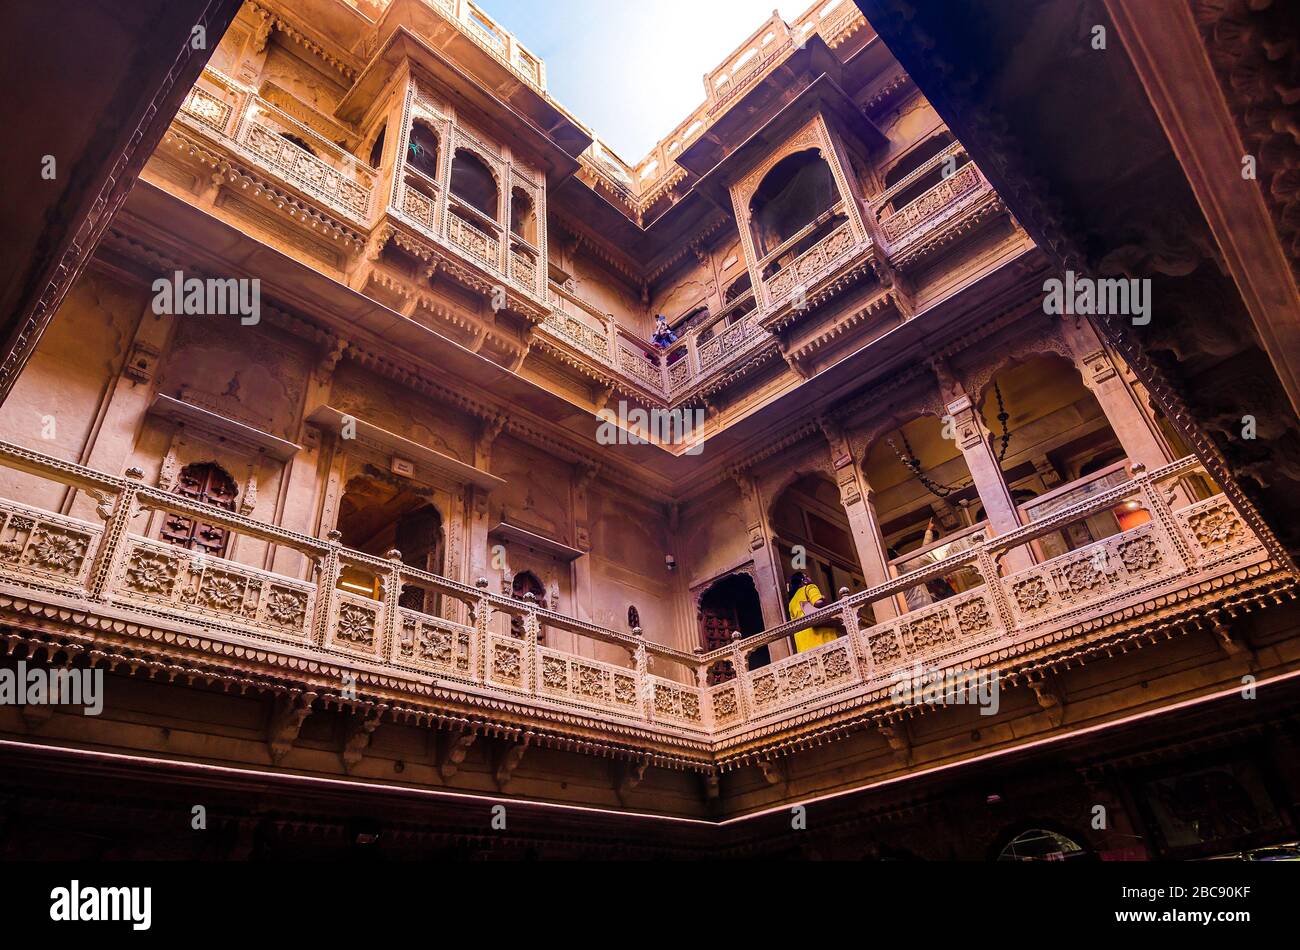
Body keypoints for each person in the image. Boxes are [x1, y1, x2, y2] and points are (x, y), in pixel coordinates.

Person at [786, 571, 839, 653]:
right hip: (820, 638)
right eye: (807, 576)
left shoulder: (791, 602)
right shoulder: (809, 587)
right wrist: (831, 605)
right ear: (804, 580)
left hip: (803, 644)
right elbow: (818, 602)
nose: (810, 578)